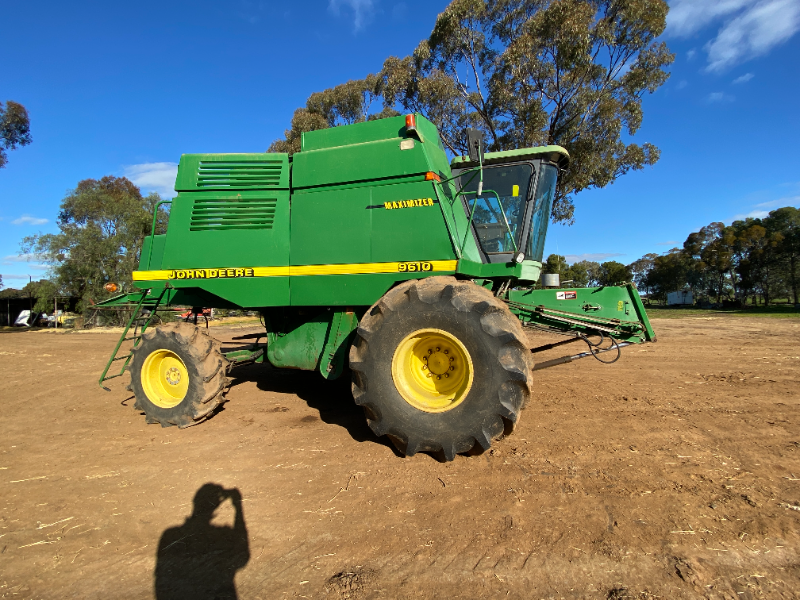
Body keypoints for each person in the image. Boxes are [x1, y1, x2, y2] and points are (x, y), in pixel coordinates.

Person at [155, 484, 250, 599]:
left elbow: (161, 582)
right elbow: (242, 557)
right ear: (217, 505)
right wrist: (238, 508)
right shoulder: (222, 537)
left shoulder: (171, 536)